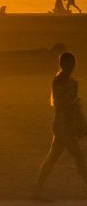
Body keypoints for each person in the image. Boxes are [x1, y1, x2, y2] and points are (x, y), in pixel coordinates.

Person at [34, 52, 87, 198]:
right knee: (78, 157)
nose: (72, 66)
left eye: (72, 63)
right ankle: (37, 189)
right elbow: (58, 103)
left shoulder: (73, 83)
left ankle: (37, 189)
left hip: (66, 125)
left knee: (53, 158)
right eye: (69, 63)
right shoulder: (58, 81)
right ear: (62, 64)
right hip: (63, 124)